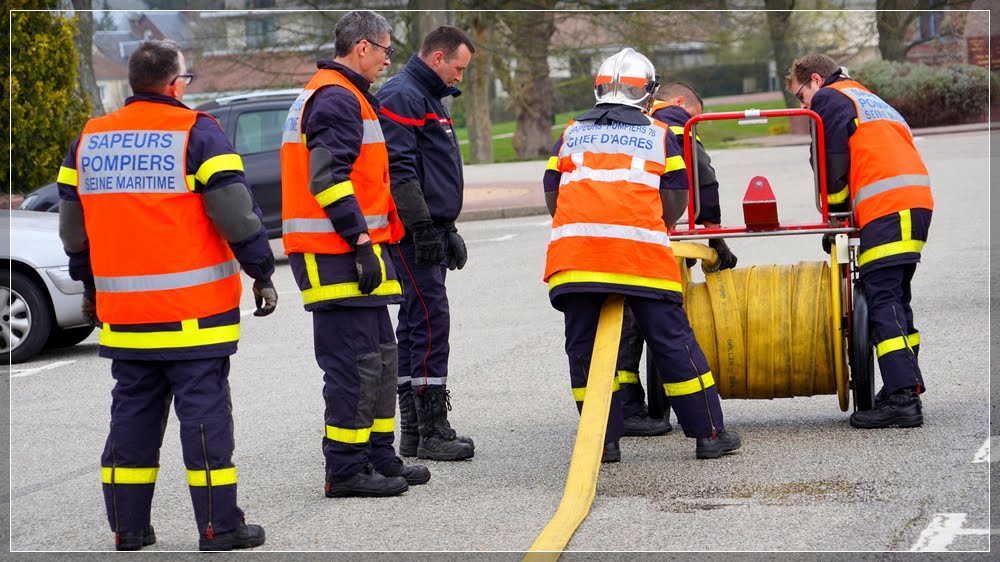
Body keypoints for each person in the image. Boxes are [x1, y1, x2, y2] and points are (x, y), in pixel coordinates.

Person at [57, 39, 276, 551]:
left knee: (131, 420)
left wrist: (89, 285)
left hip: (124, 316)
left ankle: (128, 531)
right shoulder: (197, 132)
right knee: (204, 423)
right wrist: (260, 270)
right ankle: (220, 528)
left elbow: (73, 227)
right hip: (193, 316)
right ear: (177, 85)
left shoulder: (90, 138)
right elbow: (236, 214)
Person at [543, 47, 742, 463]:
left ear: (598, 90)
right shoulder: (658, 134)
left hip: (576, 261)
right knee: (673, 344)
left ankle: (604, 441)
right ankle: (709, 435)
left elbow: (551, 191)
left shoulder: (570, 133)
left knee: (585, 350)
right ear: (649, 95)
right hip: (641, 262)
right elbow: (675, 198)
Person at [280, 10, 429, 498]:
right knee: (355, 364)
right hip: (336, 251)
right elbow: (327, 178)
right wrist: (361, 242)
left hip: (350, 248)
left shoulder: (344, 96)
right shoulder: (336, 99)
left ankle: (379, 454)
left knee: (381, 358)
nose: (389, 60)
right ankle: (345, 469)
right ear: (363, 47)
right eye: (386, 50)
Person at [787, 54, 933, 429]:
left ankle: (902, 401)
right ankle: (904, 386)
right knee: (895, 297)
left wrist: (835, 219)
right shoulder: (864, 96)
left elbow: (832, 162)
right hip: (911, 204)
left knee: (882, 297)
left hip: (886, 208)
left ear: (815, 80)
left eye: (801, 96)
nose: (803, 106)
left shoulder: (829, 100)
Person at [614, 81, 741, 439]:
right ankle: (702, 428)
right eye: (696, 116)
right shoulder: (672, 122)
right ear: (681, 102)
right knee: (667, 330)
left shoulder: (624, 125)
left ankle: (624, 408)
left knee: (622, 322)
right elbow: (701, 178)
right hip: (648, 240)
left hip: (607, 240)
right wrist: (716, 237)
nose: (694, 123)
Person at [376, 26, 476, 461]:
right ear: (437, 57)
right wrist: (423, 229)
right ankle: (432, 429)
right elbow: (399, 171)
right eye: (458, 67)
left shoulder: (428, 96)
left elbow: (428, 169)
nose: (460, 77)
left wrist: (446, 226)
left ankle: (416, 433)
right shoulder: (403, 95)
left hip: (427, 226)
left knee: (418, 325)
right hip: (411, 232)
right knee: (430, 324)